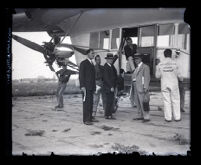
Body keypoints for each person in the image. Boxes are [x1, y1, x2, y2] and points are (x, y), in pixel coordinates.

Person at [155, 49, 183, 122]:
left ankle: (168, 118)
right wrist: (181, 80)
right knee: (176, 100)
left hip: (164, 84)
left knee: (166, 101)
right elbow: (180, 76)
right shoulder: (175, 63)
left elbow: (157, 76)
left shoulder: (160, 64)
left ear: (164, 55)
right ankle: (177, 117)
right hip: (174, 84)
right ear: (171, 54)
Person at [79, 49, 97, 125]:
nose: (93, 55)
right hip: (86, 87)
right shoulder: (83, 63)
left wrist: (94, 87)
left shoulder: (92, 64)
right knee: (86, 103)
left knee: (90, 103)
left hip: (91, 87)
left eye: (94, 53)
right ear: (88, 54)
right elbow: (81, 76)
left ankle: (89, 118)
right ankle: (86, 120)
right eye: (92, 53)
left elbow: (93, 77)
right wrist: (82, 86)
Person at [132, 53, 151, 122]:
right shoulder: (137, 68)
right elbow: (134, 77)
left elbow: (147, 78)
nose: (136, 60)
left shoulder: (145, 67)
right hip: (137, 87)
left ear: (141, 59)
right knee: (138, 103)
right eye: (135, 59)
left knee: (144, 102)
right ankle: (140, 115)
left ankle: (146, 117)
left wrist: (146, 87)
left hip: (142, 88)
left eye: (137, 59)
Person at [103, 53, 118, 119]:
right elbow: (106, 78)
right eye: (109, 59)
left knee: (111, 100)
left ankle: (109, 114)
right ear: (107, 60)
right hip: (108, 87)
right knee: (109, 101)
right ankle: (107, 115)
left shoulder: (111, 66)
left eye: (112, 59)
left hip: (111, 86)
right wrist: (111, 86)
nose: (111, 60)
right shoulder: (106, 67)